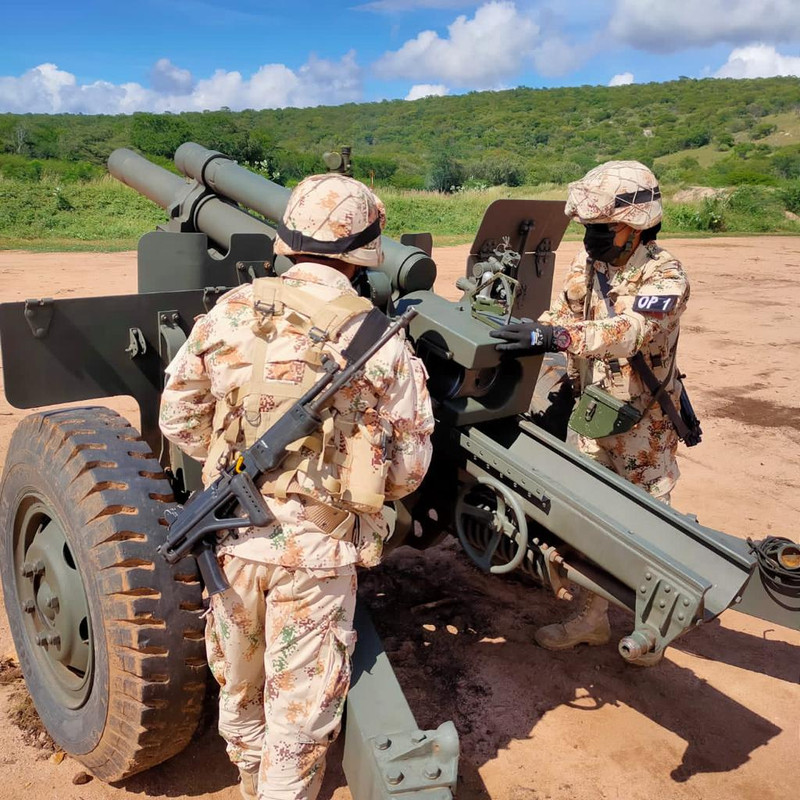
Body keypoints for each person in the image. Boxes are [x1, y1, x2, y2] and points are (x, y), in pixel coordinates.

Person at [159, 173, 435, 800]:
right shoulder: (378, 340)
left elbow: (176, 417)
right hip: (318, 555)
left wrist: (235, 467)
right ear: (365, 253)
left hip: (228, 539)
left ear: (288, 241)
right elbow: (409, 472)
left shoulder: (229, 311)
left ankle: (251, 784)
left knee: (240, 687)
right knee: (300, 719)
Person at [491, 160, 689, 654]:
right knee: (588, 521)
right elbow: (564, 310)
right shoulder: (591, 265)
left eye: (601, 229)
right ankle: (591, 618)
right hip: (591, 413)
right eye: (588, 229)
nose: (591, 238)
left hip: (644, 427)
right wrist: (532, 331)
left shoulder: (666, 277)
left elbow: (629, 333)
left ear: (635, 225)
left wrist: (557, 335)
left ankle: (654, 629)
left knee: (649, 529)